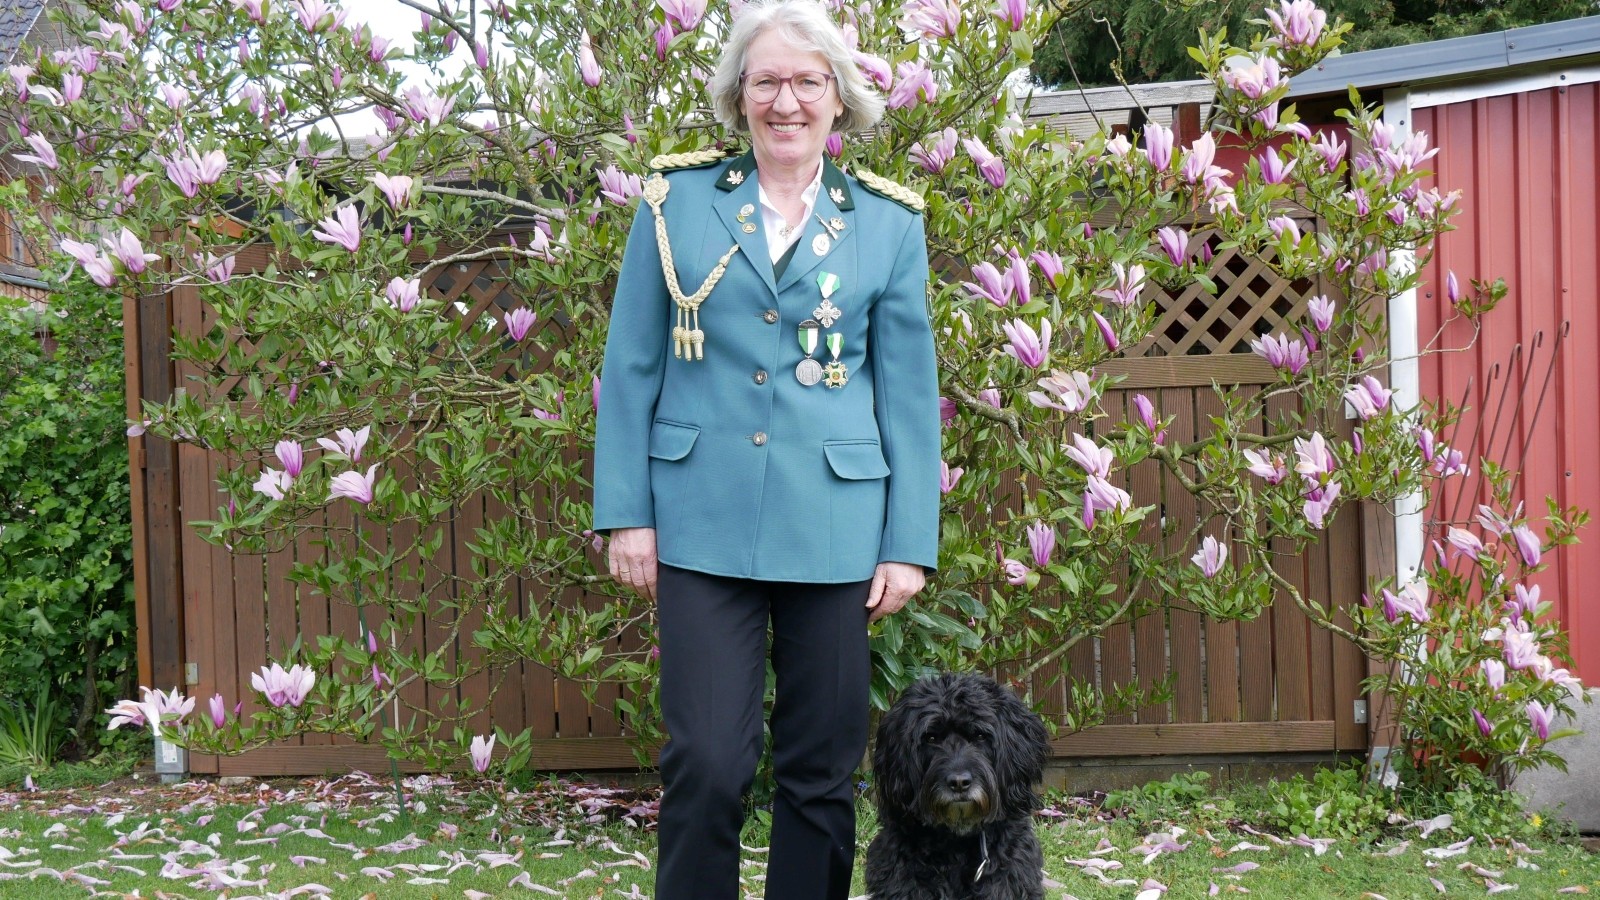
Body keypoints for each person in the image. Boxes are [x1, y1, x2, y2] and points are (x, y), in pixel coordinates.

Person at [591, 0, 940, 896]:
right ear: (739, 96)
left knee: (821, 774)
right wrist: (625, 514)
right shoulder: (674, 205)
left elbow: (906, 395)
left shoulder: (891, 225)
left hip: (835, 527)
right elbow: (630, 367)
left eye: (807, 82)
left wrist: (908, 543)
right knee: (706, 762)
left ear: (839, 99)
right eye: (768, 81)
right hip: (700, 521)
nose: (787, 102)